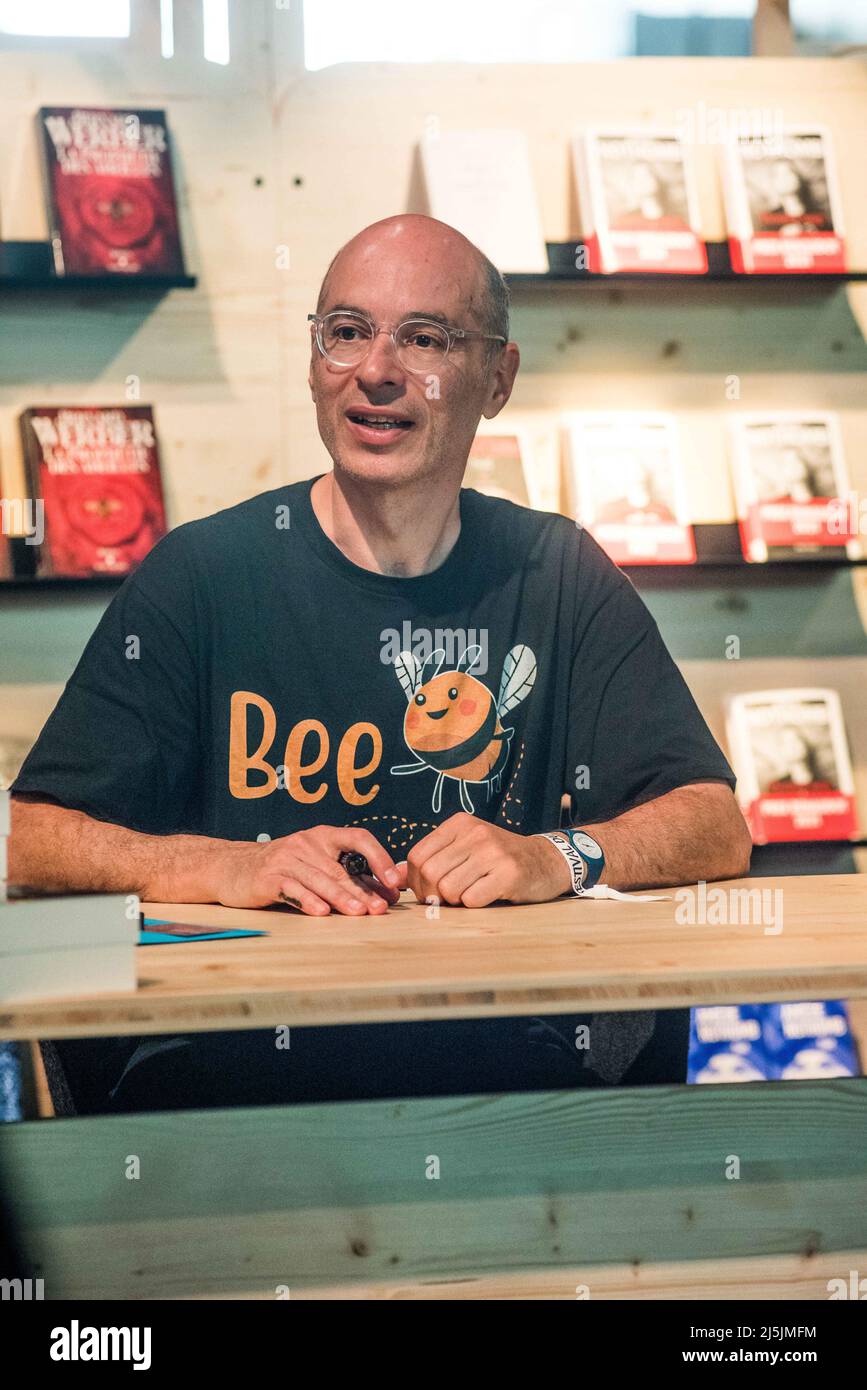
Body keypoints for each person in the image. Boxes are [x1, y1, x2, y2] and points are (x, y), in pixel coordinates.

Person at [8, 214, 751, 1111]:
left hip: (508, 1078)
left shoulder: (558, 571)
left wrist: (558, 857)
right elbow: (30, 837)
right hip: (233, 1088)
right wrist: (224, 867)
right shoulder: (202, 574)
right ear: (315, 361)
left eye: (426, 338)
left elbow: (713, 821)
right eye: (346, 332)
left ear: (498, 379)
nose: (377, 369)